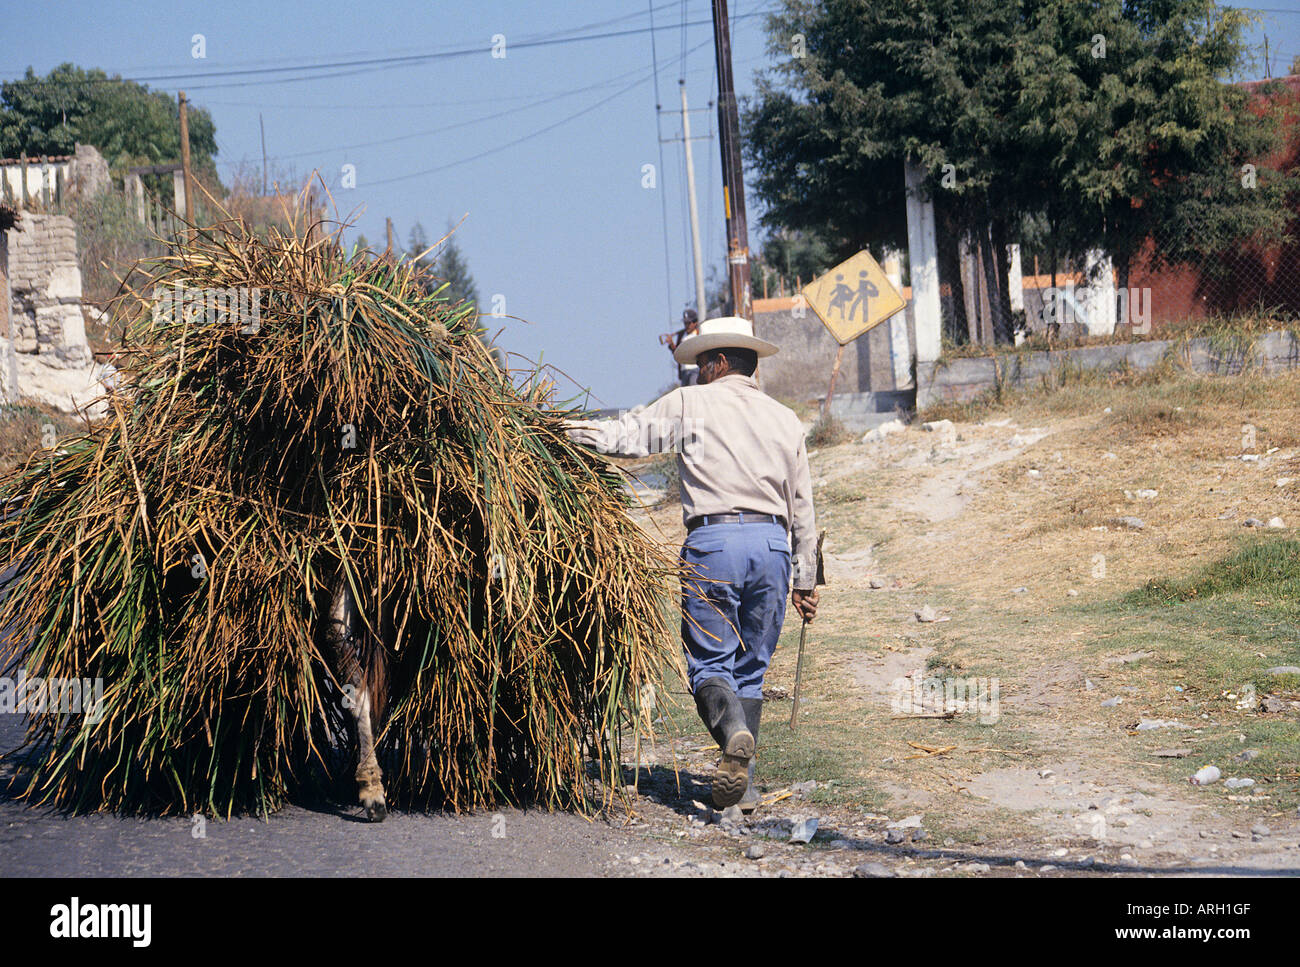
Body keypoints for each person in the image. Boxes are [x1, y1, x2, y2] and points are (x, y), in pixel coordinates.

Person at [565, 316, 819, 810]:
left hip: (714, 543)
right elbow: (803, 506)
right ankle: (743, 786)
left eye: (702, 364)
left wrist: (563, 430)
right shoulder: (785, 418)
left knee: (708, 665)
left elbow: (628, 437)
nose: (699, 373)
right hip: (773, 547)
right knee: (752, 668)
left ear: (719, 362)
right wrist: (806, 581)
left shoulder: (690, 405)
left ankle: (732, 737)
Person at [665, 308, 701, 386]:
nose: (687, 326)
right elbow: (677, 353)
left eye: (689, 323)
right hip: (684, 370)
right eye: (685, 323)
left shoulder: (699, 334)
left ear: (695, 323)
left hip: (695, 369)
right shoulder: (681, 336)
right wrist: (671, 344)